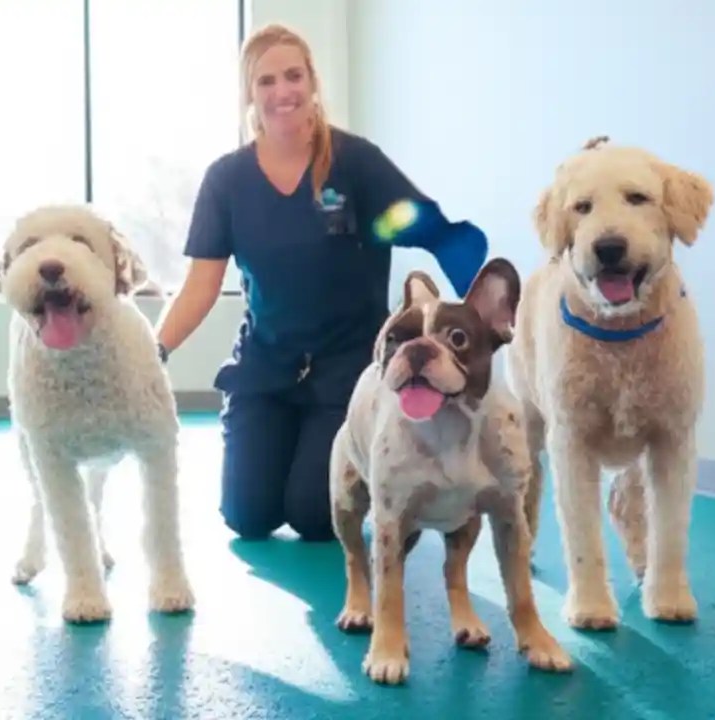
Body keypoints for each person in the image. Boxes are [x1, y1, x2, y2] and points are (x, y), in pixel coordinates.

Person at [153, 24, 490, 542]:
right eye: (266, 81)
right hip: (266, 367)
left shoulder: (357, 165)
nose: (282, 91)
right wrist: (153, 353)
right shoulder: (227, 180)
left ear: (312, 83)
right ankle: (280, 442)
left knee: (315, 518)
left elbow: (439, 235)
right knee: (249, 517)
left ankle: (334, 457)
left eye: (294, 76)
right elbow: (200, 286)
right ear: (250, 93)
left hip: (346, 370)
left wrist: (487, 324)